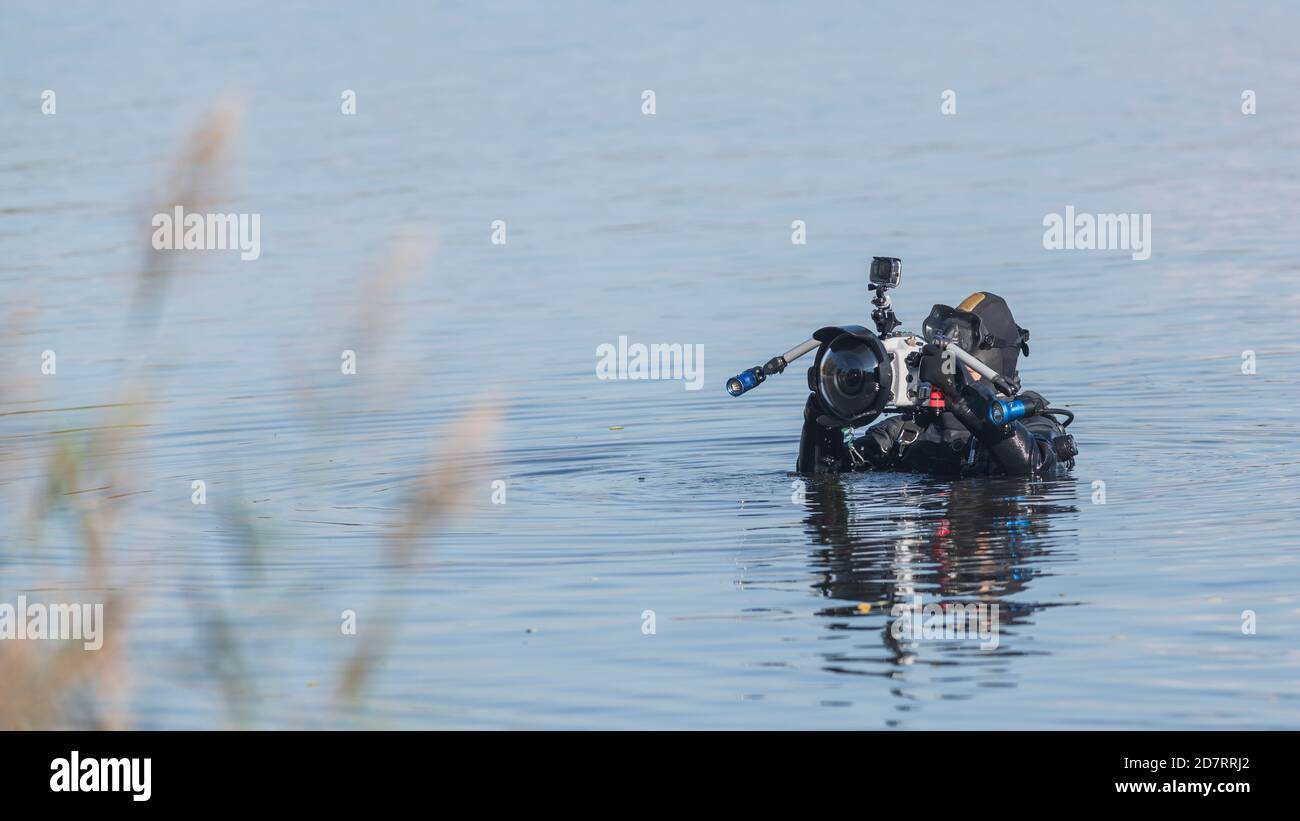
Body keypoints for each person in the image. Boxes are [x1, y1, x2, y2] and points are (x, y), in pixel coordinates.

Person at [795, 292, 1076, 477]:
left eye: (957, 348)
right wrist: (823, 417)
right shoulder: (909, 432)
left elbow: (1037, 469)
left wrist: (964, 397)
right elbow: (823, 480)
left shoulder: (1037, 424)